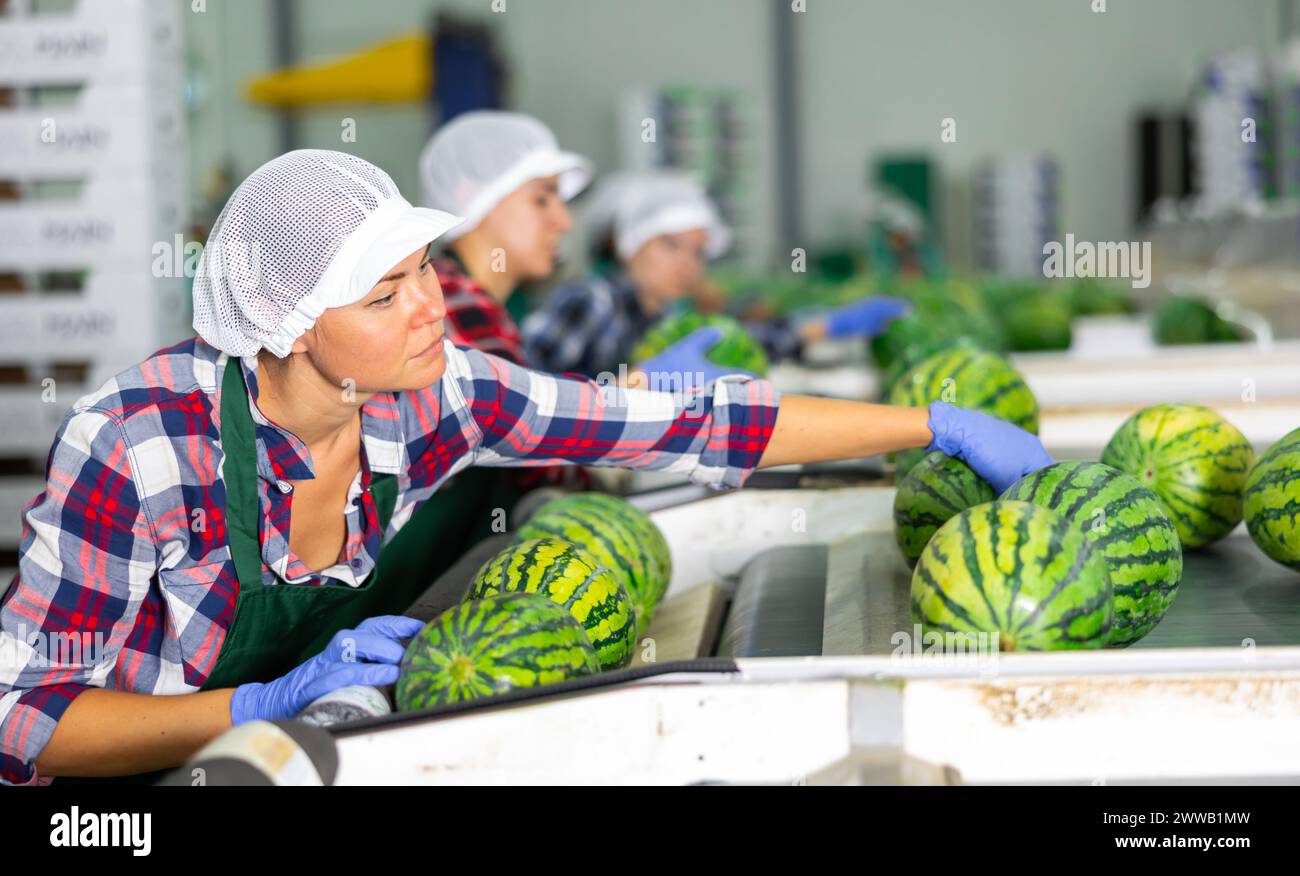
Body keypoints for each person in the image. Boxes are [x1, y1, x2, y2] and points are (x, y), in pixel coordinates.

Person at [0, 149, 1051, 784]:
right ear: (283, 326)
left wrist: (929, 422)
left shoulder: (433, 393)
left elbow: (678, 423)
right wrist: (256, 705)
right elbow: (27, 719)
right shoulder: (139, 446)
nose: (429, 310)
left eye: (424, 273)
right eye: (384, 296)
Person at [521, 174, 911, 379]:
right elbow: (524, 394)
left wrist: (824, 326)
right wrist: (625, 389)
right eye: (670, 245)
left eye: (698, 252)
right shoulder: (591, 301)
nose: (687, 265)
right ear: (629, 246)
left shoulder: (663, 314)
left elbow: (735, 345)